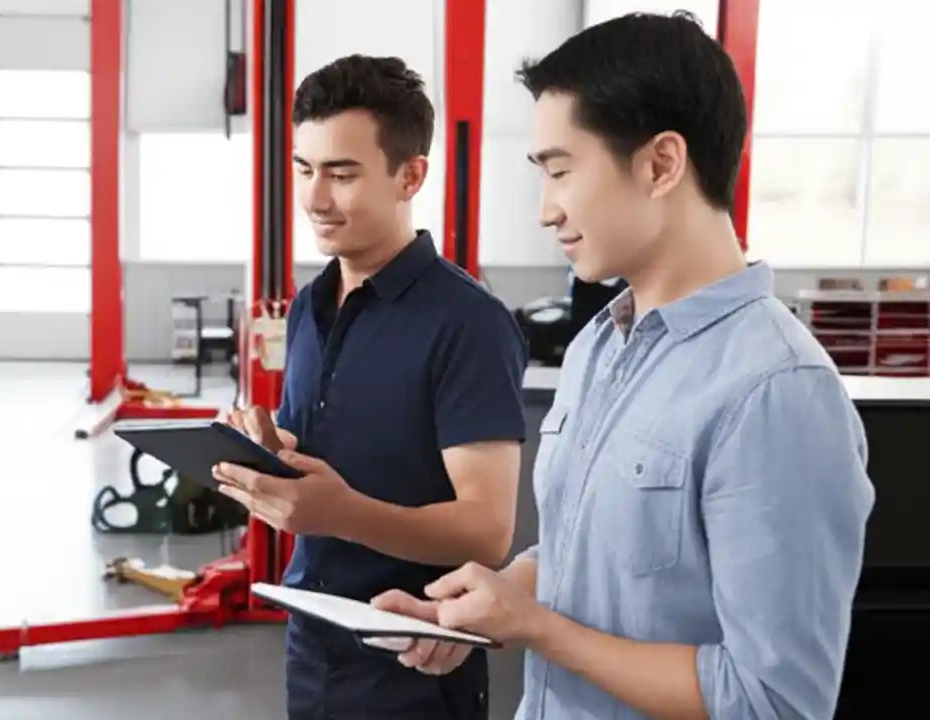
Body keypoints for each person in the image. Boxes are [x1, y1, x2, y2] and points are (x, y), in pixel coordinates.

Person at [373, 12, 875, 720]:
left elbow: (775, 701)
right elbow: (590, 551)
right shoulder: (598, 347)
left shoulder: (775, 393)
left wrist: (538, 629)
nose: (546, 210)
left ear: (661, 164)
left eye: (560, 171)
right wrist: (488, 600)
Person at [212, 54, 529, 719]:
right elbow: (320, 462)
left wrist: (339, 513)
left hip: (414, 656)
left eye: (342, 173)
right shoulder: (308, 305)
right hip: (311, 644)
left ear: (411, 175)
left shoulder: (468, 323)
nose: (314, 198)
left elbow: (488, 531)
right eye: (304, 169)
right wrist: (265, 455)